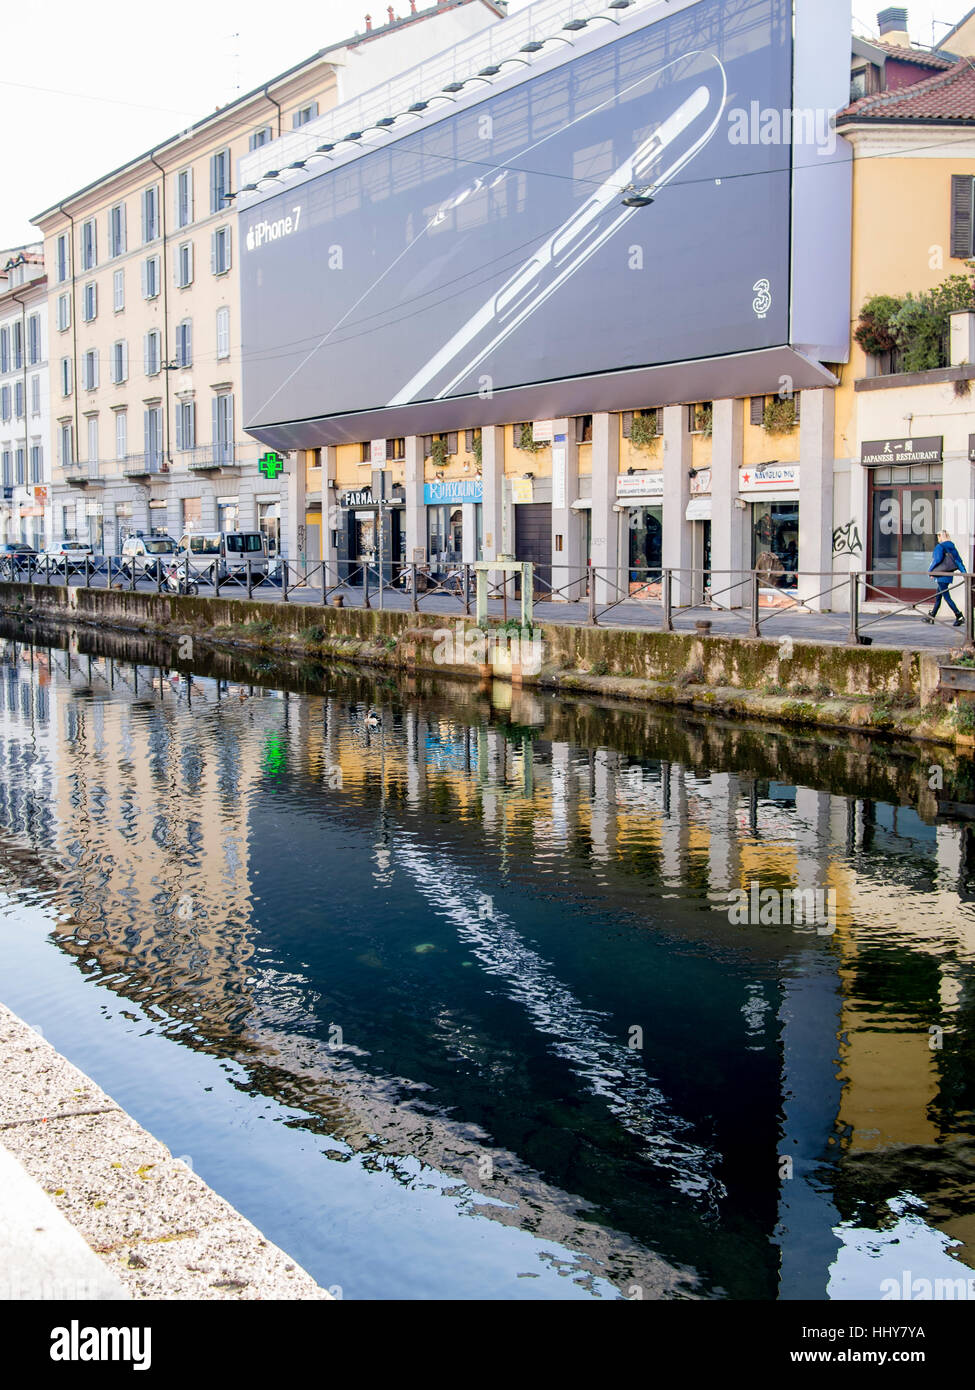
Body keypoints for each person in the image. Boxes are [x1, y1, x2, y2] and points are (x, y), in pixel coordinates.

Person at [924, 529, 967, 627]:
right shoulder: (952, 546)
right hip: (948, 575)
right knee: (938, 596)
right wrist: (964, 573)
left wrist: (930, 571)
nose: (938, 539)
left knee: (947, 597)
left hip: (940, 576)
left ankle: (959, 616)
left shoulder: (940, 546)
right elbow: (958, 561)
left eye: (938, 537)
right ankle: (932, 616)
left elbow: (937, 559)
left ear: (940, 536)